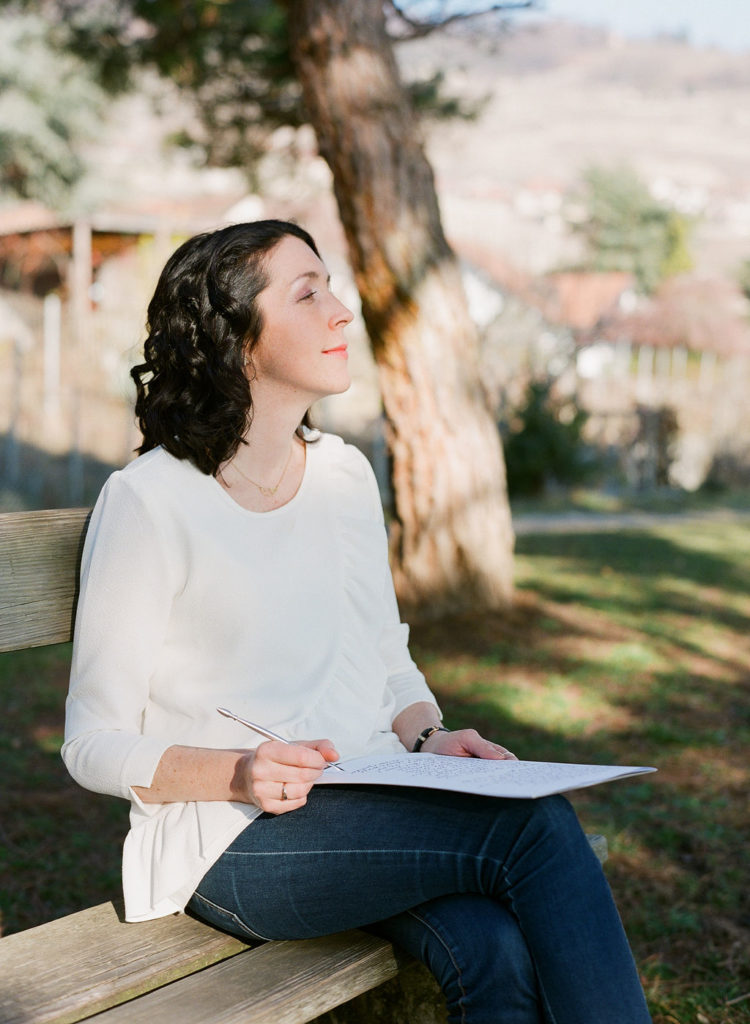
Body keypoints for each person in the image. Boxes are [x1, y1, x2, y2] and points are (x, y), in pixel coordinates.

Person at [62, 219, 651, 1024]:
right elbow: (91, 743)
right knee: (532, 828)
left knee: (493, 948)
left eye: (332, 287)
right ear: (237, 338)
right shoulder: (149, 501)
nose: (342, 312)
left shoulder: (341, 474)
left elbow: (383, 654)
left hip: (370, 802)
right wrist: (237, 772)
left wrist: (426, 739)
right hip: (229, 843)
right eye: (309, 294)